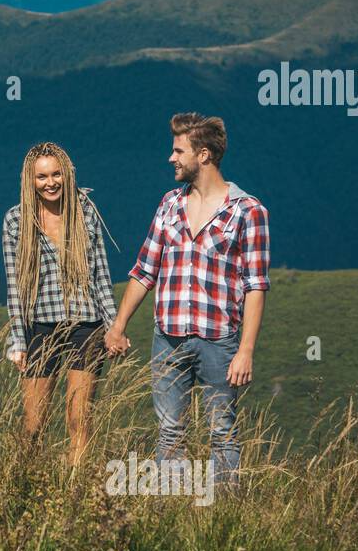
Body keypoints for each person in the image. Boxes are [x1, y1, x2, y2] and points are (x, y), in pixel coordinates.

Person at [104, 113, 270, 485]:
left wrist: (246, 350)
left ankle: (225, 518)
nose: (171, 157)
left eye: (179, 150)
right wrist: (118, 326)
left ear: (205, 155)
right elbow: (145, 269)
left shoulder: (248, 212)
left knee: (222, 433)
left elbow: (256, 285)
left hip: (219, 341)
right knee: (169, 433)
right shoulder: (169, 205)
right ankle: (173, 512)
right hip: (168, 339)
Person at [3, 142, 117, 465]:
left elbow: (101, 275)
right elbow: (14, 285)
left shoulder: (85, 212)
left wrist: (113, 326)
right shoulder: (16, 221)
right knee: (33, 423)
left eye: (56, 174)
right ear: (30, 180)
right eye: (42, 177)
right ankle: (27, 483)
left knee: (79, 420)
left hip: (86, 324)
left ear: (67, 174)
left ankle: (74, 489)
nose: (50, 182)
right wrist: (18, 339)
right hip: (40, 325)